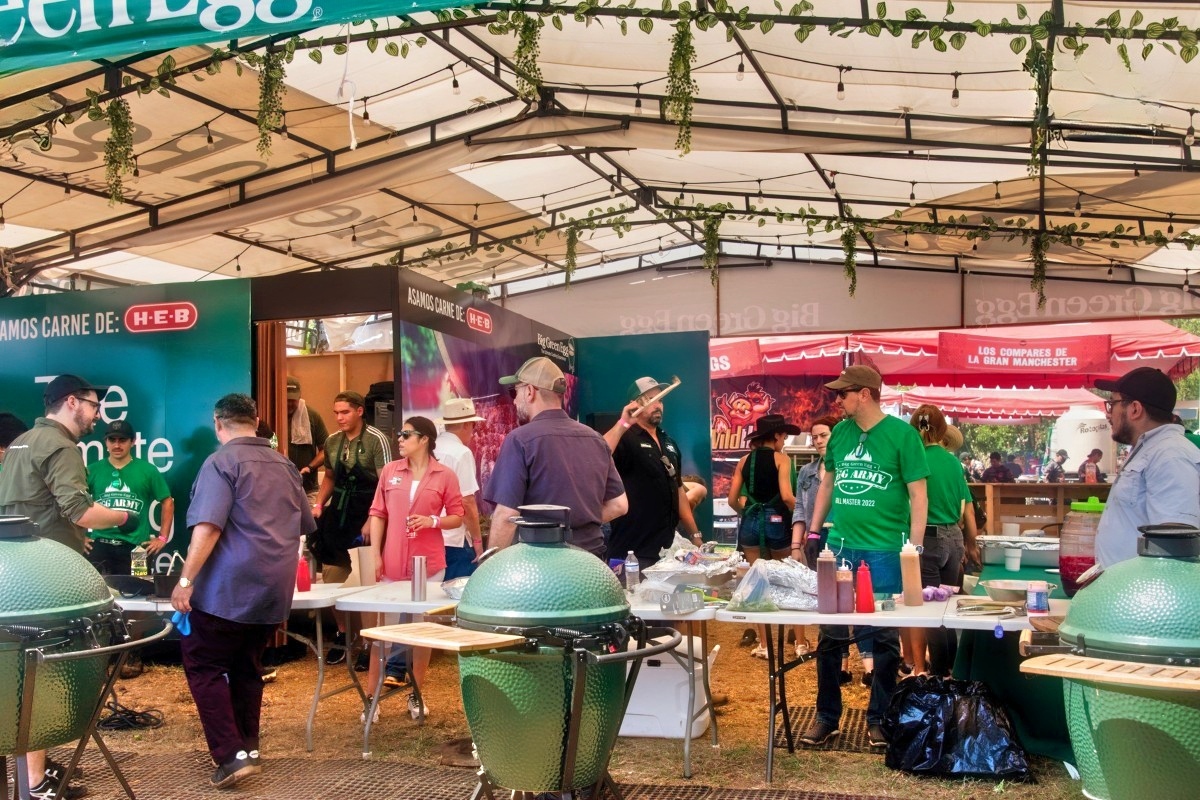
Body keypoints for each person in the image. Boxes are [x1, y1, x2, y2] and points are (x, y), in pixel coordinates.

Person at [0, 375, 138, 800]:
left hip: (11, 573)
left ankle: (28, 778)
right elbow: (79, 510)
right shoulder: (61, 446)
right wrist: (122, 519)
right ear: (72, 402)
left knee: (13, 681)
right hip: (46, 581)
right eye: (95, 406)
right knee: (38, 684)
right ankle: (37, 785)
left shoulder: (22, 441)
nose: (98, 415)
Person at [171, 393, 314, 790]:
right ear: (256, 419)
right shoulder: (285, 464)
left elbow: (208, 526)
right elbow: (304, 524)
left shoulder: (221, 462)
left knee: (203, 664)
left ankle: (230, 756)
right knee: (247, 666)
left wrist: (185, 580)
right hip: (273, 590)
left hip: (227, 590)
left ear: (219, 424)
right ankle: (247, 749)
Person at [799, 365, 928, 751]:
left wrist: (915, 550)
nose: (837, 400)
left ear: (866, 394)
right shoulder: (839, 433)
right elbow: (828, 482)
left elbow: (919, 496)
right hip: (839, 546)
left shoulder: (903, 436)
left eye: (843, 393)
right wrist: (814, 530)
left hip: (886, 549)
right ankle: (826, 717)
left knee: (884, 637)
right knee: (830, 634)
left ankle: (879, 719)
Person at [367, 415, 465, 719]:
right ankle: (372, 697)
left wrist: (432, 521)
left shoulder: (444, 474)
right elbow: (377, 513)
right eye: (399, 434)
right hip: (393, 560)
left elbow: (457, 515)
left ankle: (417, 694)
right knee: (384, 631)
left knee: (422, 630)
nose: (399, 439)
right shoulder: (390, 471)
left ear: (424, 439)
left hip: (429, 562)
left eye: (405, 434)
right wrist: (375, 554)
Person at [484, 357, 627, 557]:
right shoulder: (596, 439)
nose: (514, 400)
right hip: (591, 560)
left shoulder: (520, 439)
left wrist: (490, 567)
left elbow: (507, 514)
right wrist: (574, 525)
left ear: (530, 391)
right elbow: (619, 505)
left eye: (514, 392)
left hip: (541, 564)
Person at [310, 391, 391, 665]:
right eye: (336, 413)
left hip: (366, 514)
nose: (339, 418)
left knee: (367, 582)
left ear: (359, 411)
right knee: (333, 578)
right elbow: (330, 477)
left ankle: (369, 642)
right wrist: (319, 504)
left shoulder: (376, 440)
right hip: (339, 515)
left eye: (344, 412)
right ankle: (344, 635)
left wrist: (373, 517)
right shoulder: (332, 442)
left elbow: (386, 485)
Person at [1092, 367, 1200, 568]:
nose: (1109, 415)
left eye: (1111, 404)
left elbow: (1174, 546)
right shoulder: (1152, 448)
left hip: (1145, 594)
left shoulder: (1170, 454)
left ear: (1134, 409)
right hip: (1128, 589)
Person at [604, 376, 702, 570]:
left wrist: (695, 536)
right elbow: (598, 453)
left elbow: (678, 489)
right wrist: (623, 423)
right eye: (651, 400)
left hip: (667, 552)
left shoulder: (669, 443)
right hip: (632, 553)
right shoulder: (625, 437)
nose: (658, 405)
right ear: (635, 404)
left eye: (661, 399)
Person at [794, 415, 861, 680]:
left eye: (824, 435)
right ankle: (839, 665)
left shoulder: (846, 466)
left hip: (845, 536)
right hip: (815, 538)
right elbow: (799, 507)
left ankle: (866, 663)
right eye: (815, 437)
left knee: (853, 599)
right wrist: (796, 543)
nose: (819, 441)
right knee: (828, 602)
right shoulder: (806, 471)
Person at [727, 413, 800, 658]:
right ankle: (798, 641)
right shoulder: (782, 459)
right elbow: (788, 497)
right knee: (787, 577)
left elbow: (731, 500)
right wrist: (803, 516)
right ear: (777, 436)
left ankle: (765, 645)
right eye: (784, 436)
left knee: (758, 581)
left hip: (750, 521)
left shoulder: (743, 460)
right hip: (776, 521)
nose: (784, 441)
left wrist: (748, 513)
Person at [904, 405, 968, 677]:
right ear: (942, 430)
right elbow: (965, 507)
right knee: (947, 605)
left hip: (926, 536)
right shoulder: (954, 462)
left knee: (931, 608)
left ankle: (940, 673)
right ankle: (953, 666)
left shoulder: (914, 459)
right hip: (954, 535)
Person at [85, 419, 174, 575]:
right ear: (106, 442)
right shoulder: (92, 470)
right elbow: (73, 503)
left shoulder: (148, 470)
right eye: (112, 440)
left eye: (122, 440)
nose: (117, 445)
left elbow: (167, 502)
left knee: (138, 590)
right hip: (100, 545)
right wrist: (78, 537)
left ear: (133, 441)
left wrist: (162, 538)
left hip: (138, 547)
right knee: (95, 593)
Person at [435, 397, 486, 580]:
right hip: (453, 539)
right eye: (473, 427)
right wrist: (478, 542)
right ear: (466, 425)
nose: (473, 433)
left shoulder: (429, 447)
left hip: (427, 536)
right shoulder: (461, 452)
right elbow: (467, 502)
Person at [286, 376, 328, 499]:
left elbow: (326, 449)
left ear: (299, 397)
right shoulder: (271, 414)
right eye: (286, 399)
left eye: (293, 400)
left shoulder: (312, 416)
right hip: (277, 487)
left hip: (308, 488)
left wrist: (310, 467)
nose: (289, 404)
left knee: (310, 518)